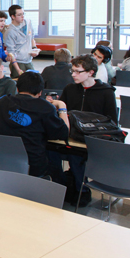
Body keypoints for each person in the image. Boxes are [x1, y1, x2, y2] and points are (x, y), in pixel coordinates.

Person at [47, 54, 117, 206]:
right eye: (73, 71)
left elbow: (112, 122)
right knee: (49, 151)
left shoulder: (106, 92)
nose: (73, 74)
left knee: (76, 157)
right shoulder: (70, 89)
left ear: (91, 72)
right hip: (71, 136)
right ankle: (62, 185)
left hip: (92, 139)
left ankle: (81, 190)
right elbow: (60, 115)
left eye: (78, 71)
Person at [0, 72, 69, 178]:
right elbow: (64, 133)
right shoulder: (45, 108)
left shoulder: (1, 102)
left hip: (1, 162)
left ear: (18, 88)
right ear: (40, 92)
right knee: (55, 158)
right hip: (32, 167)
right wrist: (62, 107)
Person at [4, 5, 38, 78]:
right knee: (20, 81)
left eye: (23, 14)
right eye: (19, 15)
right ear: (13, 16)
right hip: (18, 62)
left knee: (34, 79)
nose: (22, 16)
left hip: (28, 60)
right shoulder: (10, 32)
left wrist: (34, 48)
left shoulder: (28, 22)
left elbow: (31, 37)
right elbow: (11, 53)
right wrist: (18, 69)